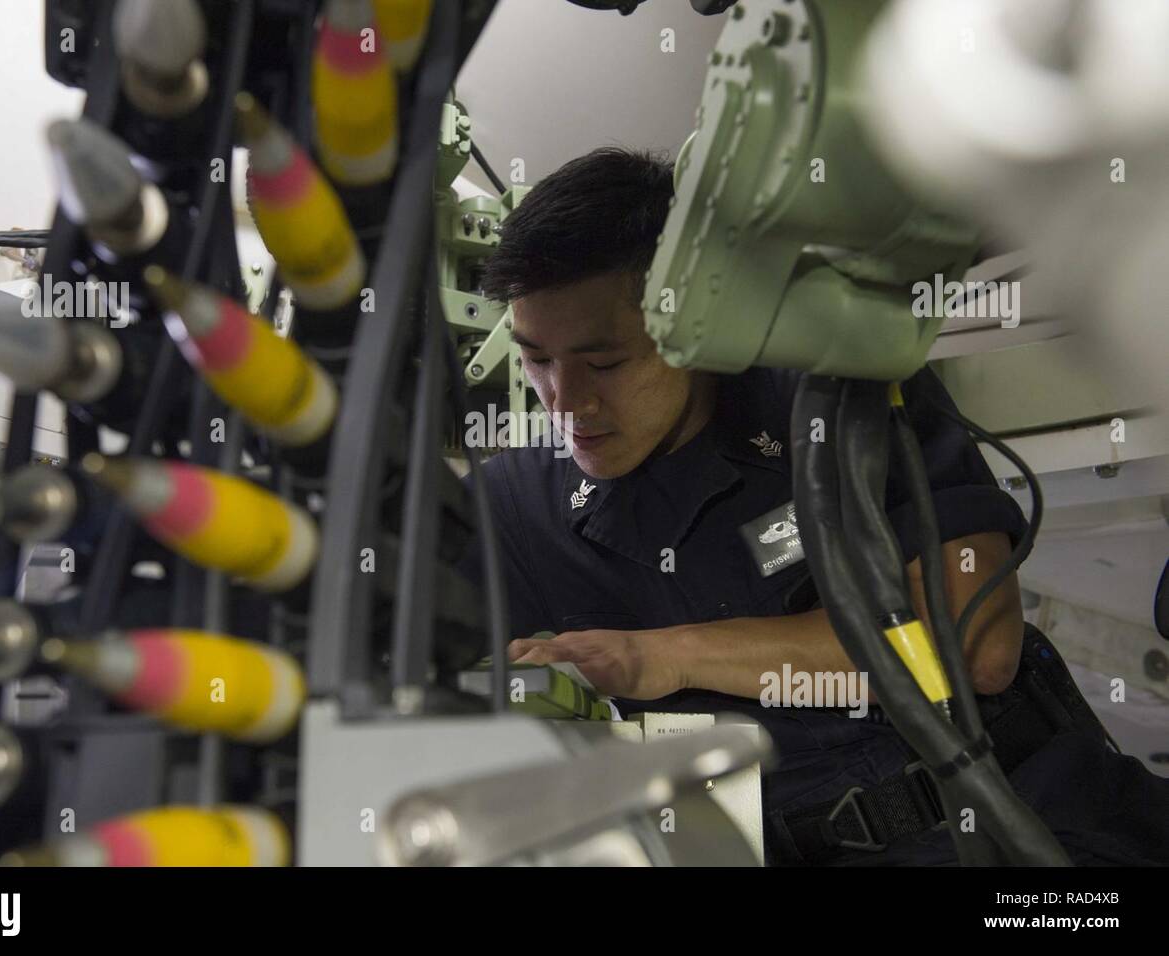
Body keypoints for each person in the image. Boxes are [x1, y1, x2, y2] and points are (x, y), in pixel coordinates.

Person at [465, 146, 1168, 865]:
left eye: (605, 362)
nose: (568, 403)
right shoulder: (518, 512)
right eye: (536, 360)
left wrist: (658, 658)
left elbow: (976, 649)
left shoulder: (836, 393)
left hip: (1031, 821)